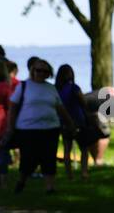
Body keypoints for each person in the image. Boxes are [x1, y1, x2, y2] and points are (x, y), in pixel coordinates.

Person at [6, 57, 73, 193]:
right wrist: (10, 127)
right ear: (32, 71)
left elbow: (60, 107)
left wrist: (70, 123)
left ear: (49, 73)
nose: (41, 73)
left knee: (49, 157)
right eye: (38, 70)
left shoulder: (51, 88)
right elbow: (13, 107)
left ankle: (49, 187)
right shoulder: (24, 86)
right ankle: (21, 181)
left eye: (45, 71)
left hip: (51, 128)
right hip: (27, 129)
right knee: (28, 158)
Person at [56, 64, 88, 179]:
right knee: (84, 148)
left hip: (63, 122)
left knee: (66, 149)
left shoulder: (56, 90)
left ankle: (69, 174)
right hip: (78, 121)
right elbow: (84, 102)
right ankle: (84, 172)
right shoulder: (74, 87)